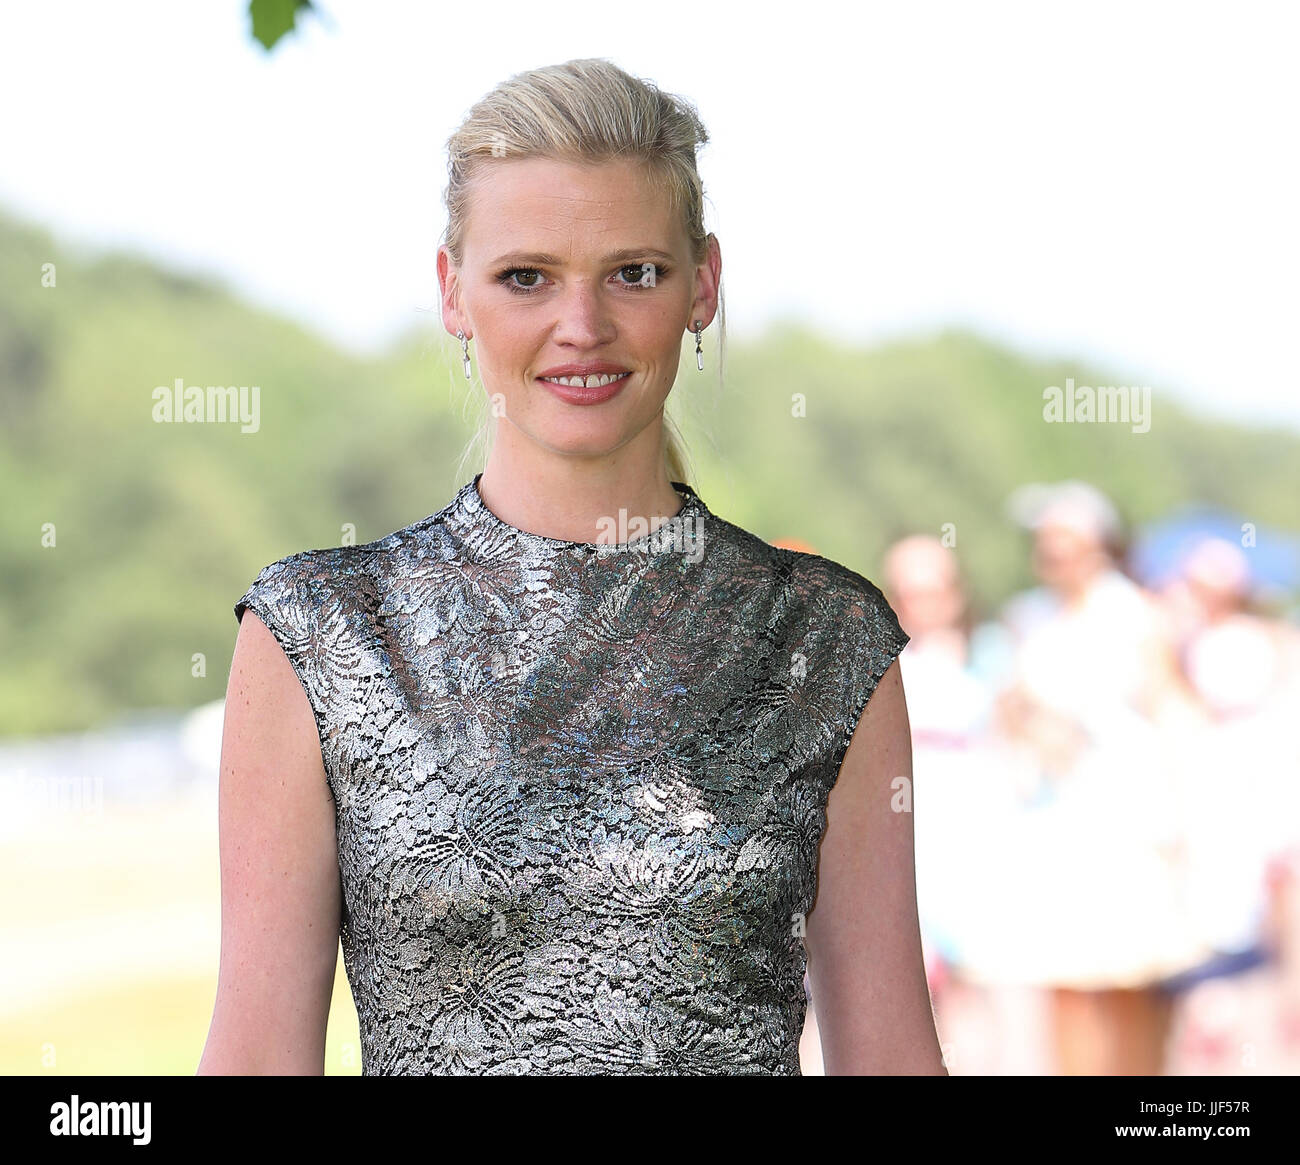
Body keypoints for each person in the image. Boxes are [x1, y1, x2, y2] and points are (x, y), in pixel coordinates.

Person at [197, 58, 944, 1076]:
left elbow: (891, 1059)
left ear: (703, 285)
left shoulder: (823, 639)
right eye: (525, 276)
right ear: (452, 291)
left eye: (632, 271)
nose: (581, 327)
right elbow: (253, 1063)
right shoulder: (321, 631)